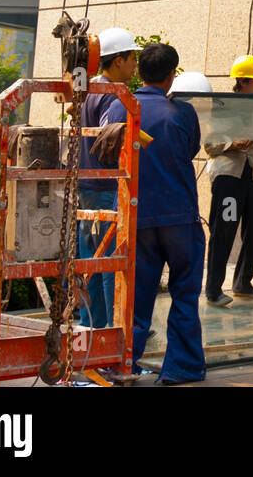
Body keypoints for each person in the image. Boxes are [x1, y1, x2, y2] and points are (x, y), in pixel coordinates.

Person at [102, 42, 206, 384]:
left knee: (134, 295)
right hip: (178, 216)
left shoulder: (120, 108)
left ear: (139, 70)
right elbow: (190, 150)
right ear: (171, 74)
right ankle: (182, 367)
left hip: (136, 216)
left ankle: (125, 364)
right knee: (185, 293)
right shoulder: (183, 112)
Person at [75, 26, 139, 329]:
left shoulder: (89, 90)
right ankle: (111, 329)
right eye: (131, 59)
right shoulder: (112, 96)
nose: (134, 65)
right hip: (103, 187)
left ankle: (90, 325)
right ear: (117, 61)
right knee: (109, 264)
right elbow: (109, 144)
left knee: (90, 261)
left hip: (85, 185)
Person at [201, 55, 253, 307]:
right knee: (225, 229)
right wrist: (233, 143)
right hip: (229, 175)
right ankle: (213, 290)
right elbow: (210, 144)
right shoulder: (223, 106)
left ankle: (243, 282)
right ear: (242, 81)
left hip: (252, 174)